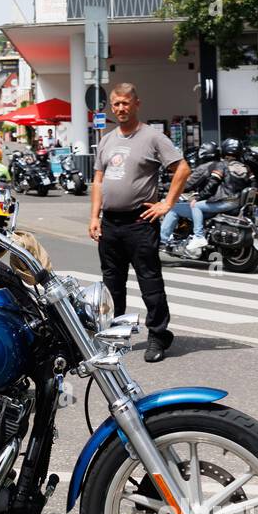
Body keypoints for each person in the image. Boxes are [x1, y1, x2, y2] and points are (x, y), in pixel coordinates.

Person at [88, 82, 190, 363]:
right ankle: (114, 335)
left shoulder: (152, 137)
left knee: (150, 282)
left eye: (125, 103)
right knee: (112, 285)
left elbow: (182, 168)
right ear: (111, 107)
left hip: (140, 222)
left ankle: (158, 335)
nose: (121, 108)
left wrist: (166, 204)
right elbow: (98, 180)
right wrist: (94, 217)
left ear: (136, 104)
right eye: (116, 104)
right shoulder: (107, 140)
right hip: (110, 223)